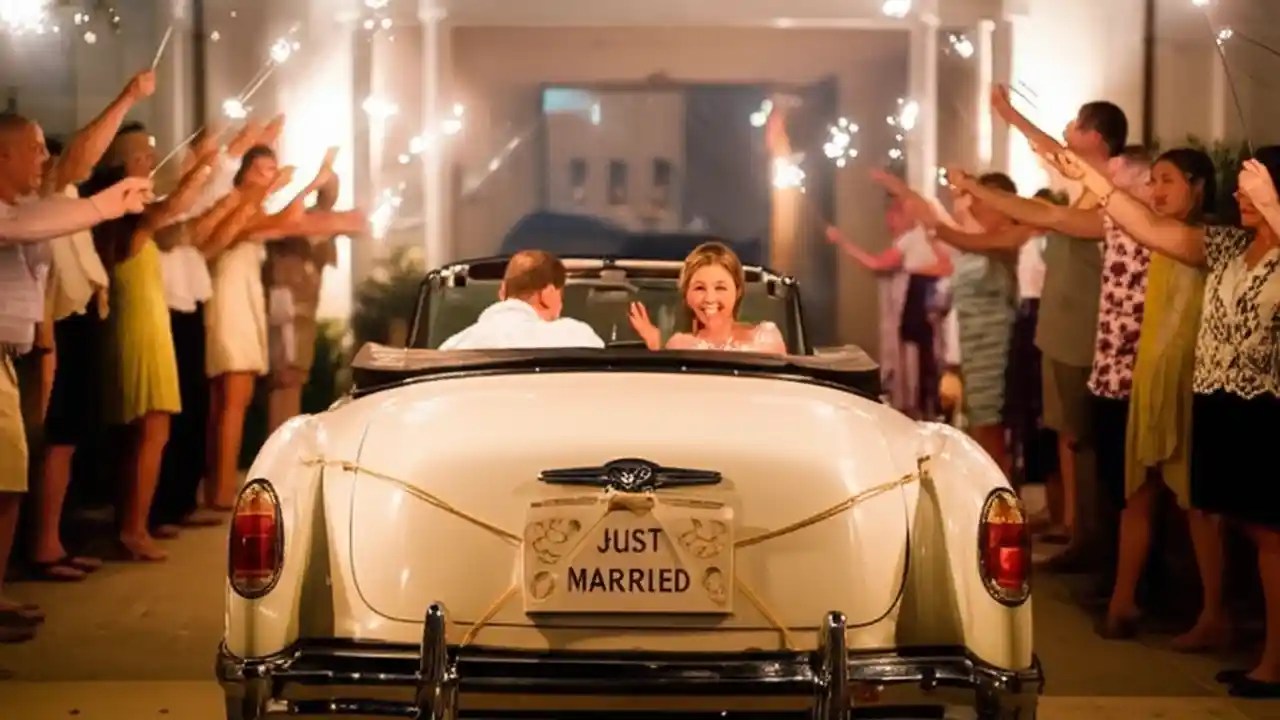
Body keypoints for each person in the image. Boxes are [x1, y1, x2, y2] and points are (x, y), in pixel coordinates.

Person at [1049, 144, 1280, 697]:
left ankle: (1274, 664)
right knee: (1252, 531)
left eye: (1256, 183)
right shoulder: (1227, 246)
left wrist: (1274, 208)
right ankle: (1260, 652)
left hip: (1267, 406)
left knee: (1272, 535)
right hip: (1221, 402)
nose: (1241, 192)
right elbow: (1151, 230)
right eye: (1242, 183)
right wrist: (1095, 182)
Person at [959, 87, 1148, 582]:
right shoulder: (1082, 187)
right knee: (1069, 435)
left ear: (1097, 138)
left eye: (1075, 124)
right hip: (1062, 329)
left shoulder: (1116, 196)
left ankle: (1091, 541)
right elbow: (1050, 180)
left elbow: (1050, 210)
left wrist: (1009, 115)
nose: (1065, 133)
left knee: (1085, 439)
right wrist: (980, 184)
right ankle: (1078, 534)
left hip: (1092, 334)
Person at [0, 112, 152, 640]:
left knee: (10, 478)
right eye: (36, 148)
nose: (45, 159)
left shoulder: (28, 209)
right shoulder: (12, 215)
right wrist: (105, 205)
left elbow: (43, 217)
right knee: (8, 477)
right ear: (3, 154)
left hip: (13, 357)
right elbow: (25, 225)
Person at [826, 200, 951, 417]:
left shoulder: (914, 238)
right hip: (915, 309)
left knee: (914, 361)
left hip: (915, 309)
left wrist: (842, 241)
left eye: (895, 213)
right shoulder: (918, 239)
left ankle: (916, 406)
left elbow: (876, 263)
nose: (889, 220)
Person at [627, 241, 786, 354]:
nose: (709, 298)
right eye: (699, 288)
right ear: (687, 294)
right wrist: (656, 343)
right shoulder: (680, 345)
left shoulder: (765, 338)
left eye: (720, 288)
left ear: (737, 290)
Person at [440, 250, 605, 350]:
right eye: (560, 297)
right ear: (548, 294)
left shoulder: (453, 348)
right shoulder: (577, 338)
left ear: (502, 292)